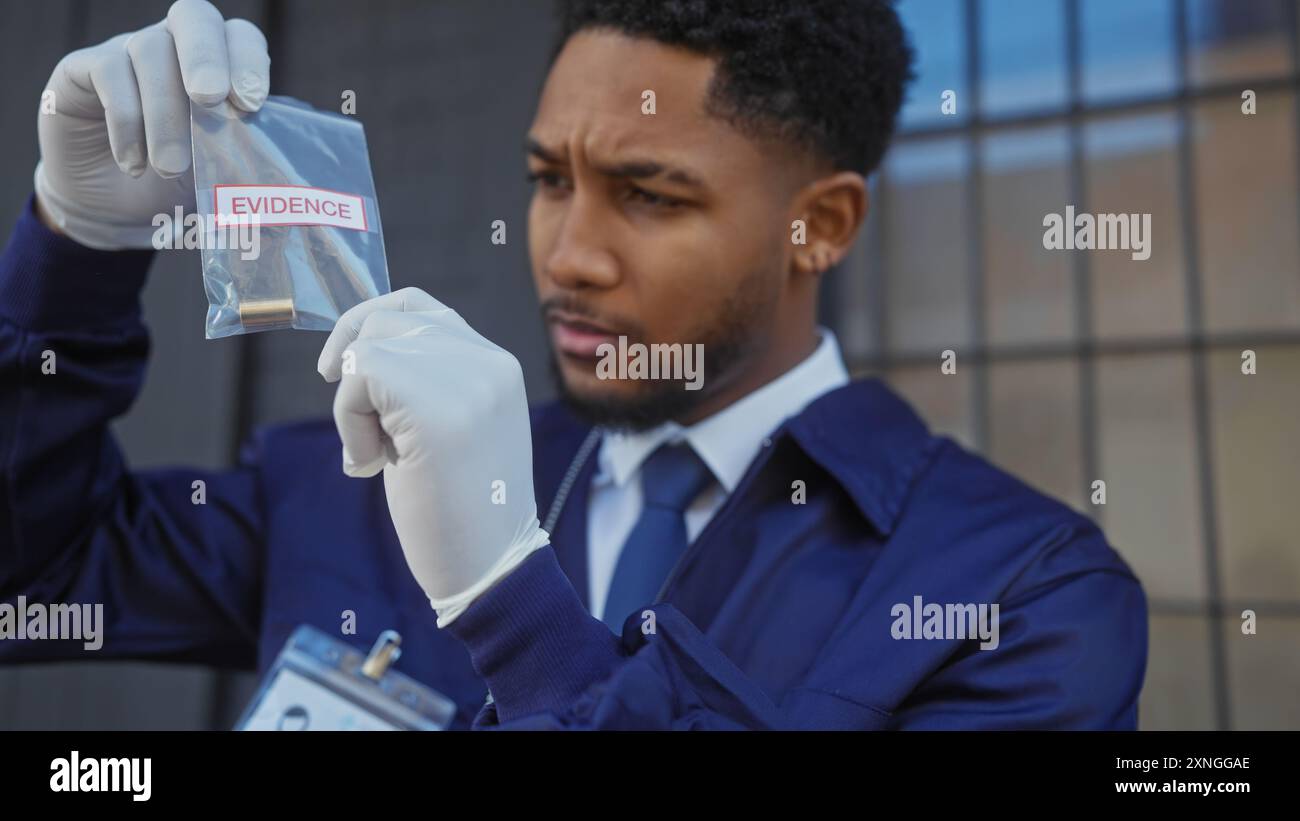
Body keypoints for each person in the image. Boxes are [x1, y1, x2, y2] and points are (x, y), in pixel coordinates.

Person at [0, 0, 1147, 729]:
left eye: (649, 195)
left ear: (823, 225)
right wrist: (78, 241)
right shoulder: (351, 481)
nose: (569, 255)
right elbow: (32, 581)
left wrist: (508, 598)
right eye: (550, 179)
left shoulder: (1018, 596)